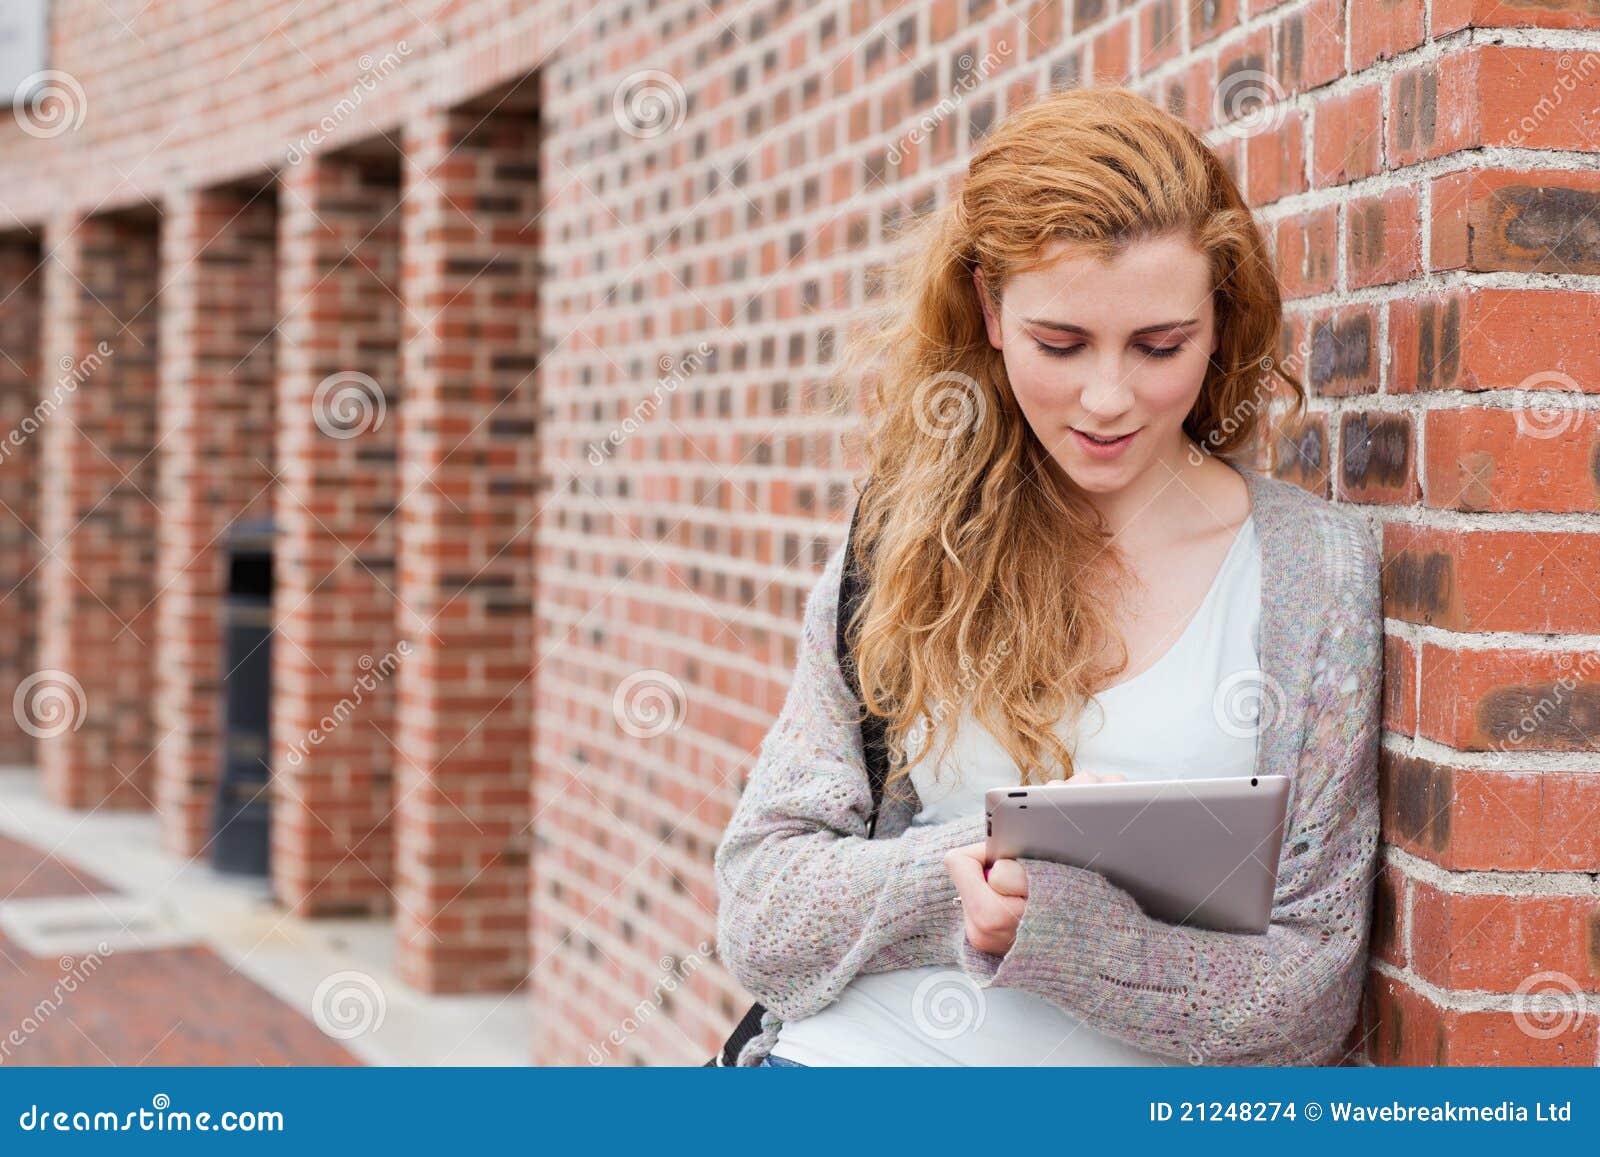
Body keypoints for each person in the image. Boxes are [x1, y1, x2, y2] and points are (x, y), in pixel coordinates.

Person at [712, 86, 1383, 1067]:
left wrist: (1066, 931)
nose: (1107, 398)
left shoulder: (1311, 573)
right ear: (988, 308)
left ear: (1219, 316)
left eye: (1159, 345)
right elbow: (761, 912)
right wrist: (961, 877)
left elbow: (1307, 997)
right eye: (1059, 344)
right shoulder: (902, 541)